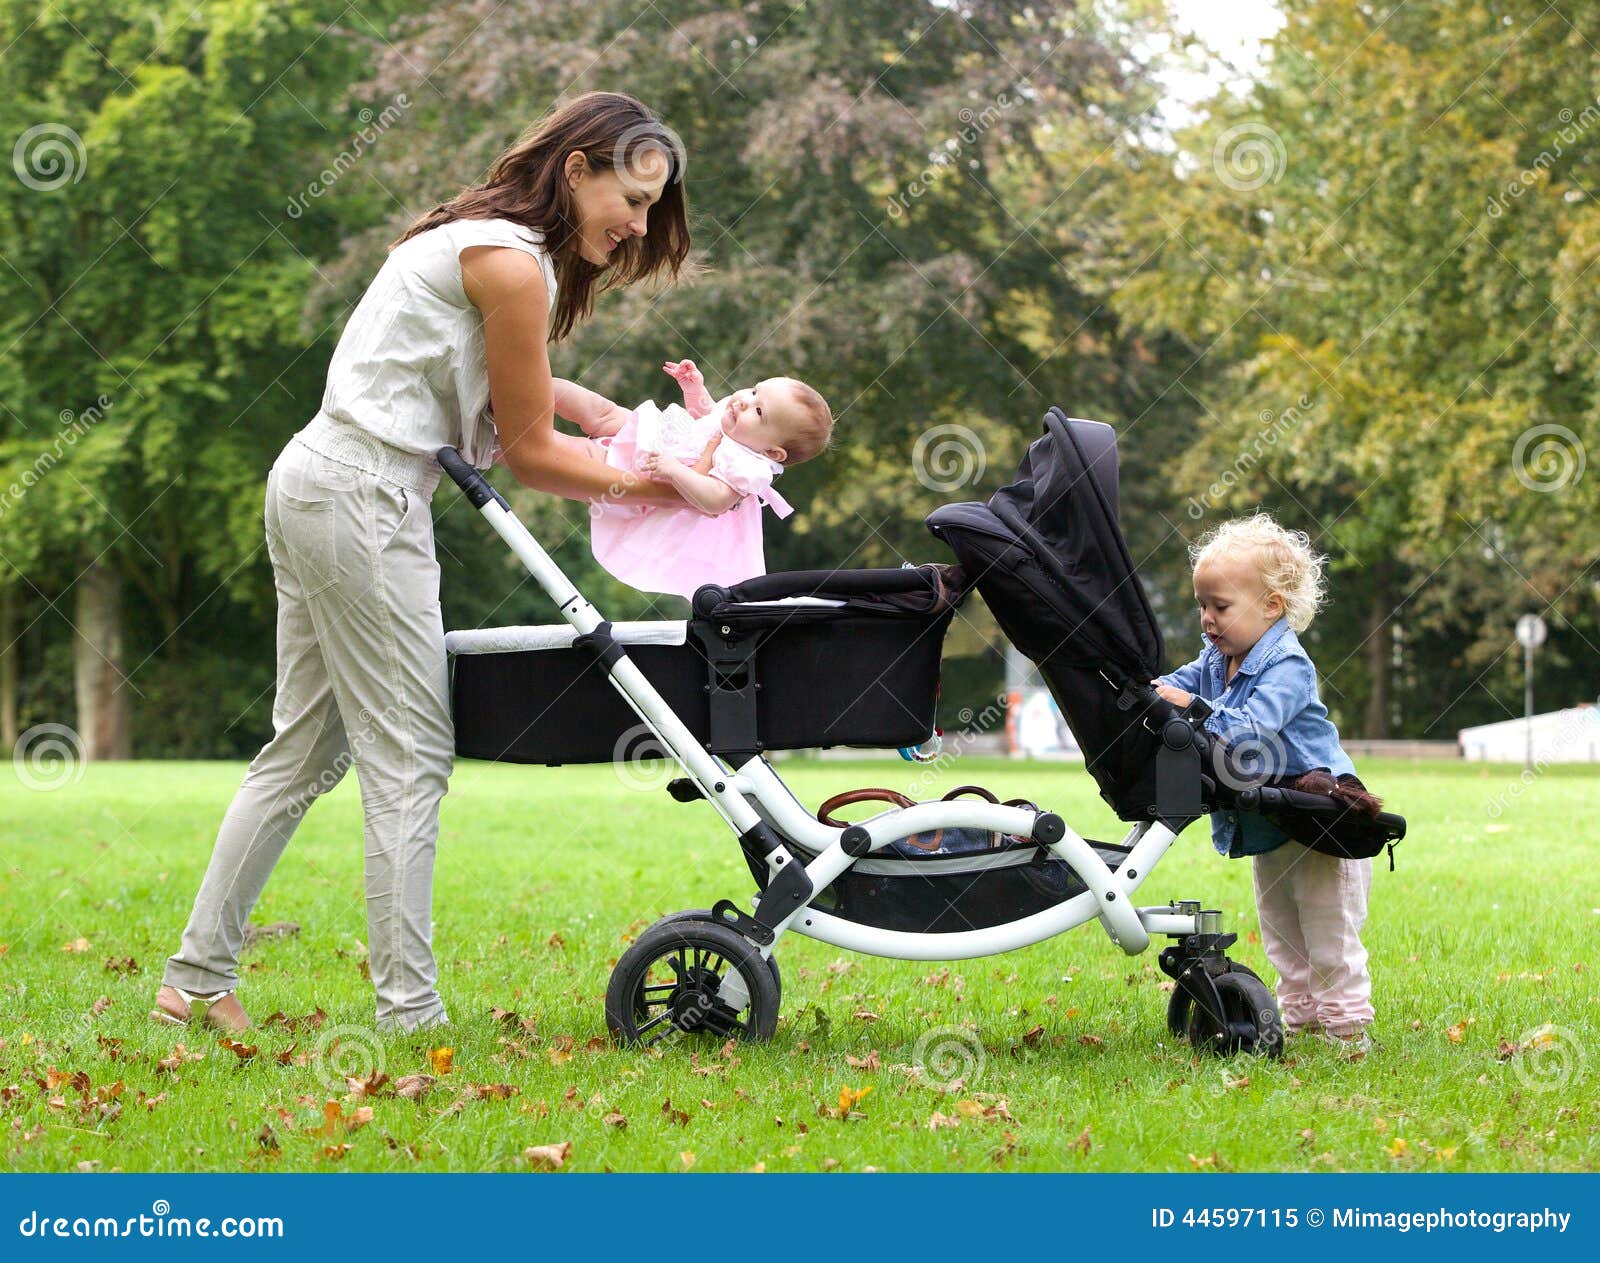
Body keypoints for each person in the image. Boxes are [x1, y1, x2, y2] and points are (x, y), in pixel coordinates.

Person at [154, 91, 692, 1034]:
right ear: (578, 170)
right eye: (634, 201)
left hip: (319, 477)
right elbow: (530, 455)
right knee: (409, 760)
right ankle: (410, 1015)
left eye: (653, 211)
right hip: (363, 496)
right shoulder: (514, 267)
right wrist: (670, 487)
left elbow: (473, 369)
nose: (639, 227)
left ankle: (194, 980)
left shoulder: (477, 239)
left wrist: (599, 413)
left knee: (304, 750)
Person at [1151, 513, 1376, 1052]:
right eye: (1202, 605)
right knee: (1280, 929)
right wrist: (1151, 689)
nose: (1207, 618)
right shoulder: (1216, 657)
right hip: (1270, 817)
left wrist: (1190, 706)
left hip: (1320, 815)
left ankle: (1347, 1030)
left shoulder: (1288, 666)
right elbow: (1171, 686)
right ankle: (1298, 1020)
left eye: (1220, 607)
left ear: (1271, 606)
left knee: (1327, 933)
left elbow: (1249, 732)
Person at [553, 358, 832, 598]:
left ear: (772, 451)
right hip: (652, 436)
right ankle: (533, 385)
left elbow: (715, 500)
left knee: (584, 454)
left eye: (759, 411)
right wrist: (694, 389)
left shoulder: (748, 467)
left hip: (643, 475)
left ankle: (515, 437)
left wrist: (675, 470)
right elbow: (706, 415)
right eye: (754, 391)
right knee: (600, 411)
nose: (744, 402)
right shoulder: (736, 418)